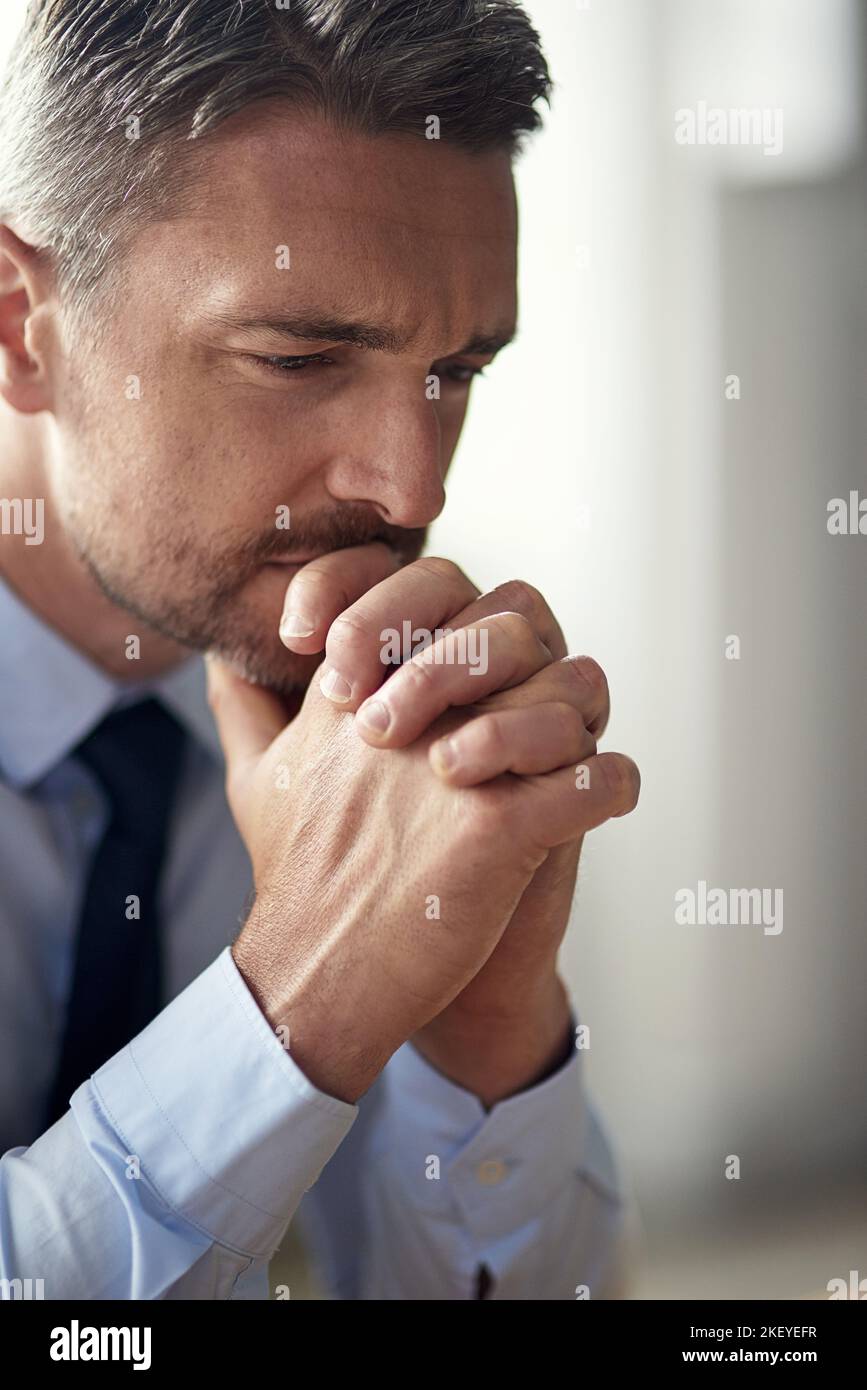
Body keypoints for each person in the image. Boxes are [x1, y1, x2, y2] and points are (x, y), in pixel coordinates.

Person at [0, 0, 640, 1300]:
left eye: (457, 371)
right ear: (23, 324)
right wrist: (296, 994)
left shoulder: (381, 737)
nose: (412, 490)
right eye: (298, 357)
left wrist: (487, 1041)